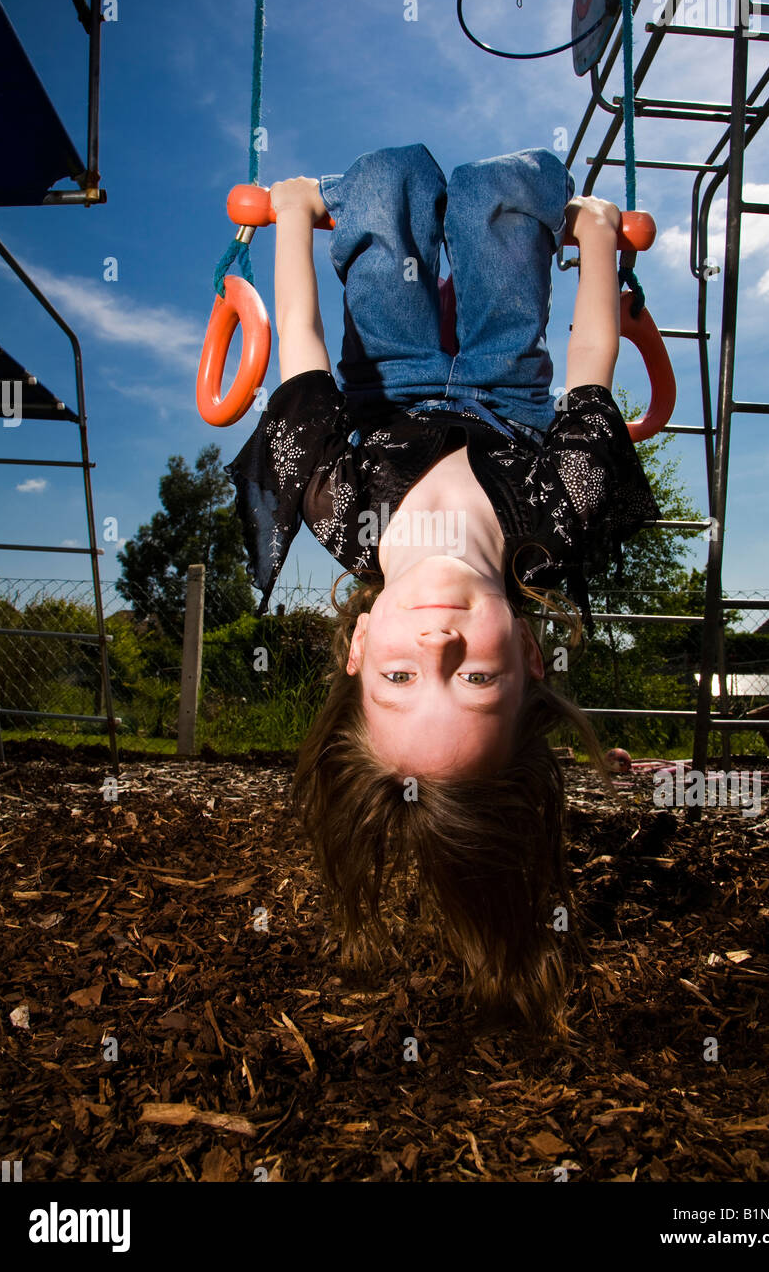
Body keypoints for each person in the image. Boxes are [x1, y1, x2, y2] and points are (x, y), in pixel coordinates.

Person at [227, 144, 662, 1031]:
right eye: (476, 681)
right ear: (532, 657)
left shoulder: (338, 507)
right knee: (504, 196)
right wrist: (597, 240)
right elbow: (589, 361)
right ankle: (514, 206)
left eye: (399, 680)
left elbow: (302, 357)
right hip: (508, 382)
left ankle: (365, 199)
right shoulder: (555, 519)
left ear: (358, 650)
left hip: (392, 375)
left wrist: (297, 217)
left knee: (386, 186)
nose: (438, 648)